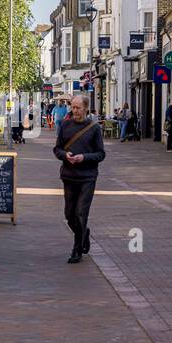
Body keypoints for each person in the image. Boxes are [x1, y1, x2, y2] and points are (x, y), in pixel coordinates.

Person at [53, 93, 105, 264]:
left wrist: (84, 157)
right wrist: (64, 155)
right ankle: (84, 233)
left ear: (85, 108)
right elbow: (57, 148)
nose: (74, 111)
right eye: (72, 107)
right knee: (69, 215)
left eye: (77, 108)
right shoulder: (66, 125)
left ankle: (77, 250)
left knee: (81, 213)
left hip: (87, 177)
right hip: (69, 176)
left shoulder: (94, 128)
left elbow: (100, 154)